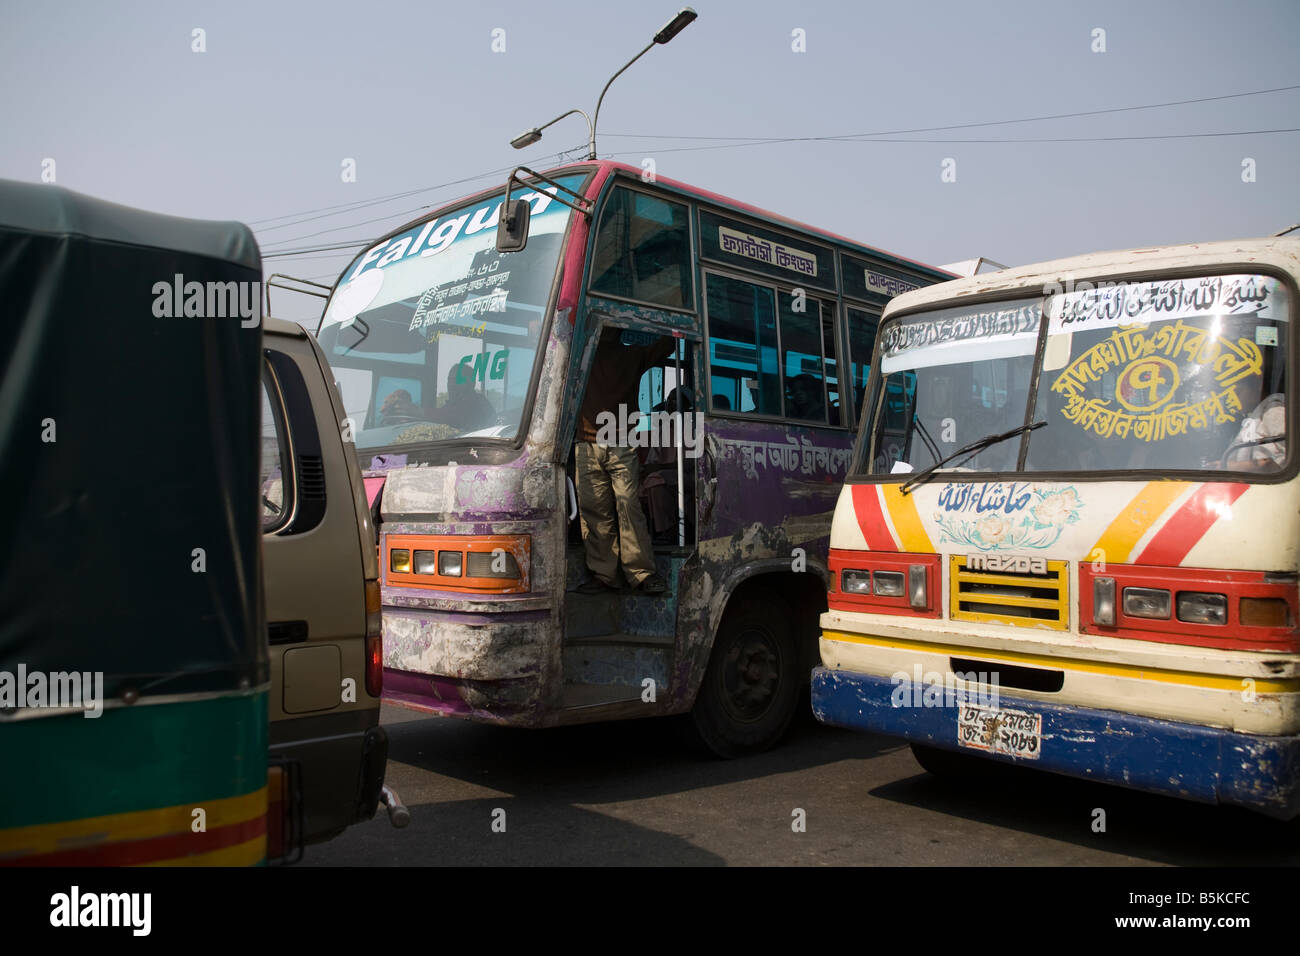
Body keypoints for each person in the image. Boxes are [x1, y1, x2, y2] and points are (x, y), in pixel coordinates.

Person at [574, 327, 675, 594]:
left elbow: (666, 345)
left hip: (606, 443)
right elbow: (667, 344)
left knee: (613, 508)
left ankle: (622, 574)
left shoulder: (581, 353)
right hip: (593, 444)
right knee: (611, 508)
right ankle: (623, 574)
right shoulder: (588, 354)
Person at [1224, 392, 1286, 471]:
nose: (1231, 398)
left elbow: (1288, 461)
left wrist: (1233, 467)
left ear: (1256, 387)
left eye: (1238, 392)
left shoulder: (1274, 410)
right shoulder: (1252, 417)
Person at [430, 361, 496, 432]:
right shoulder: (452, 405)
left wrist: (423, 414)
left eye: (457, 381)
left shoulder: (477, 403)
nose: (451, 385)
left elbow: (454, 417)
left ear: (471, 383)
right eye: (450, 380)